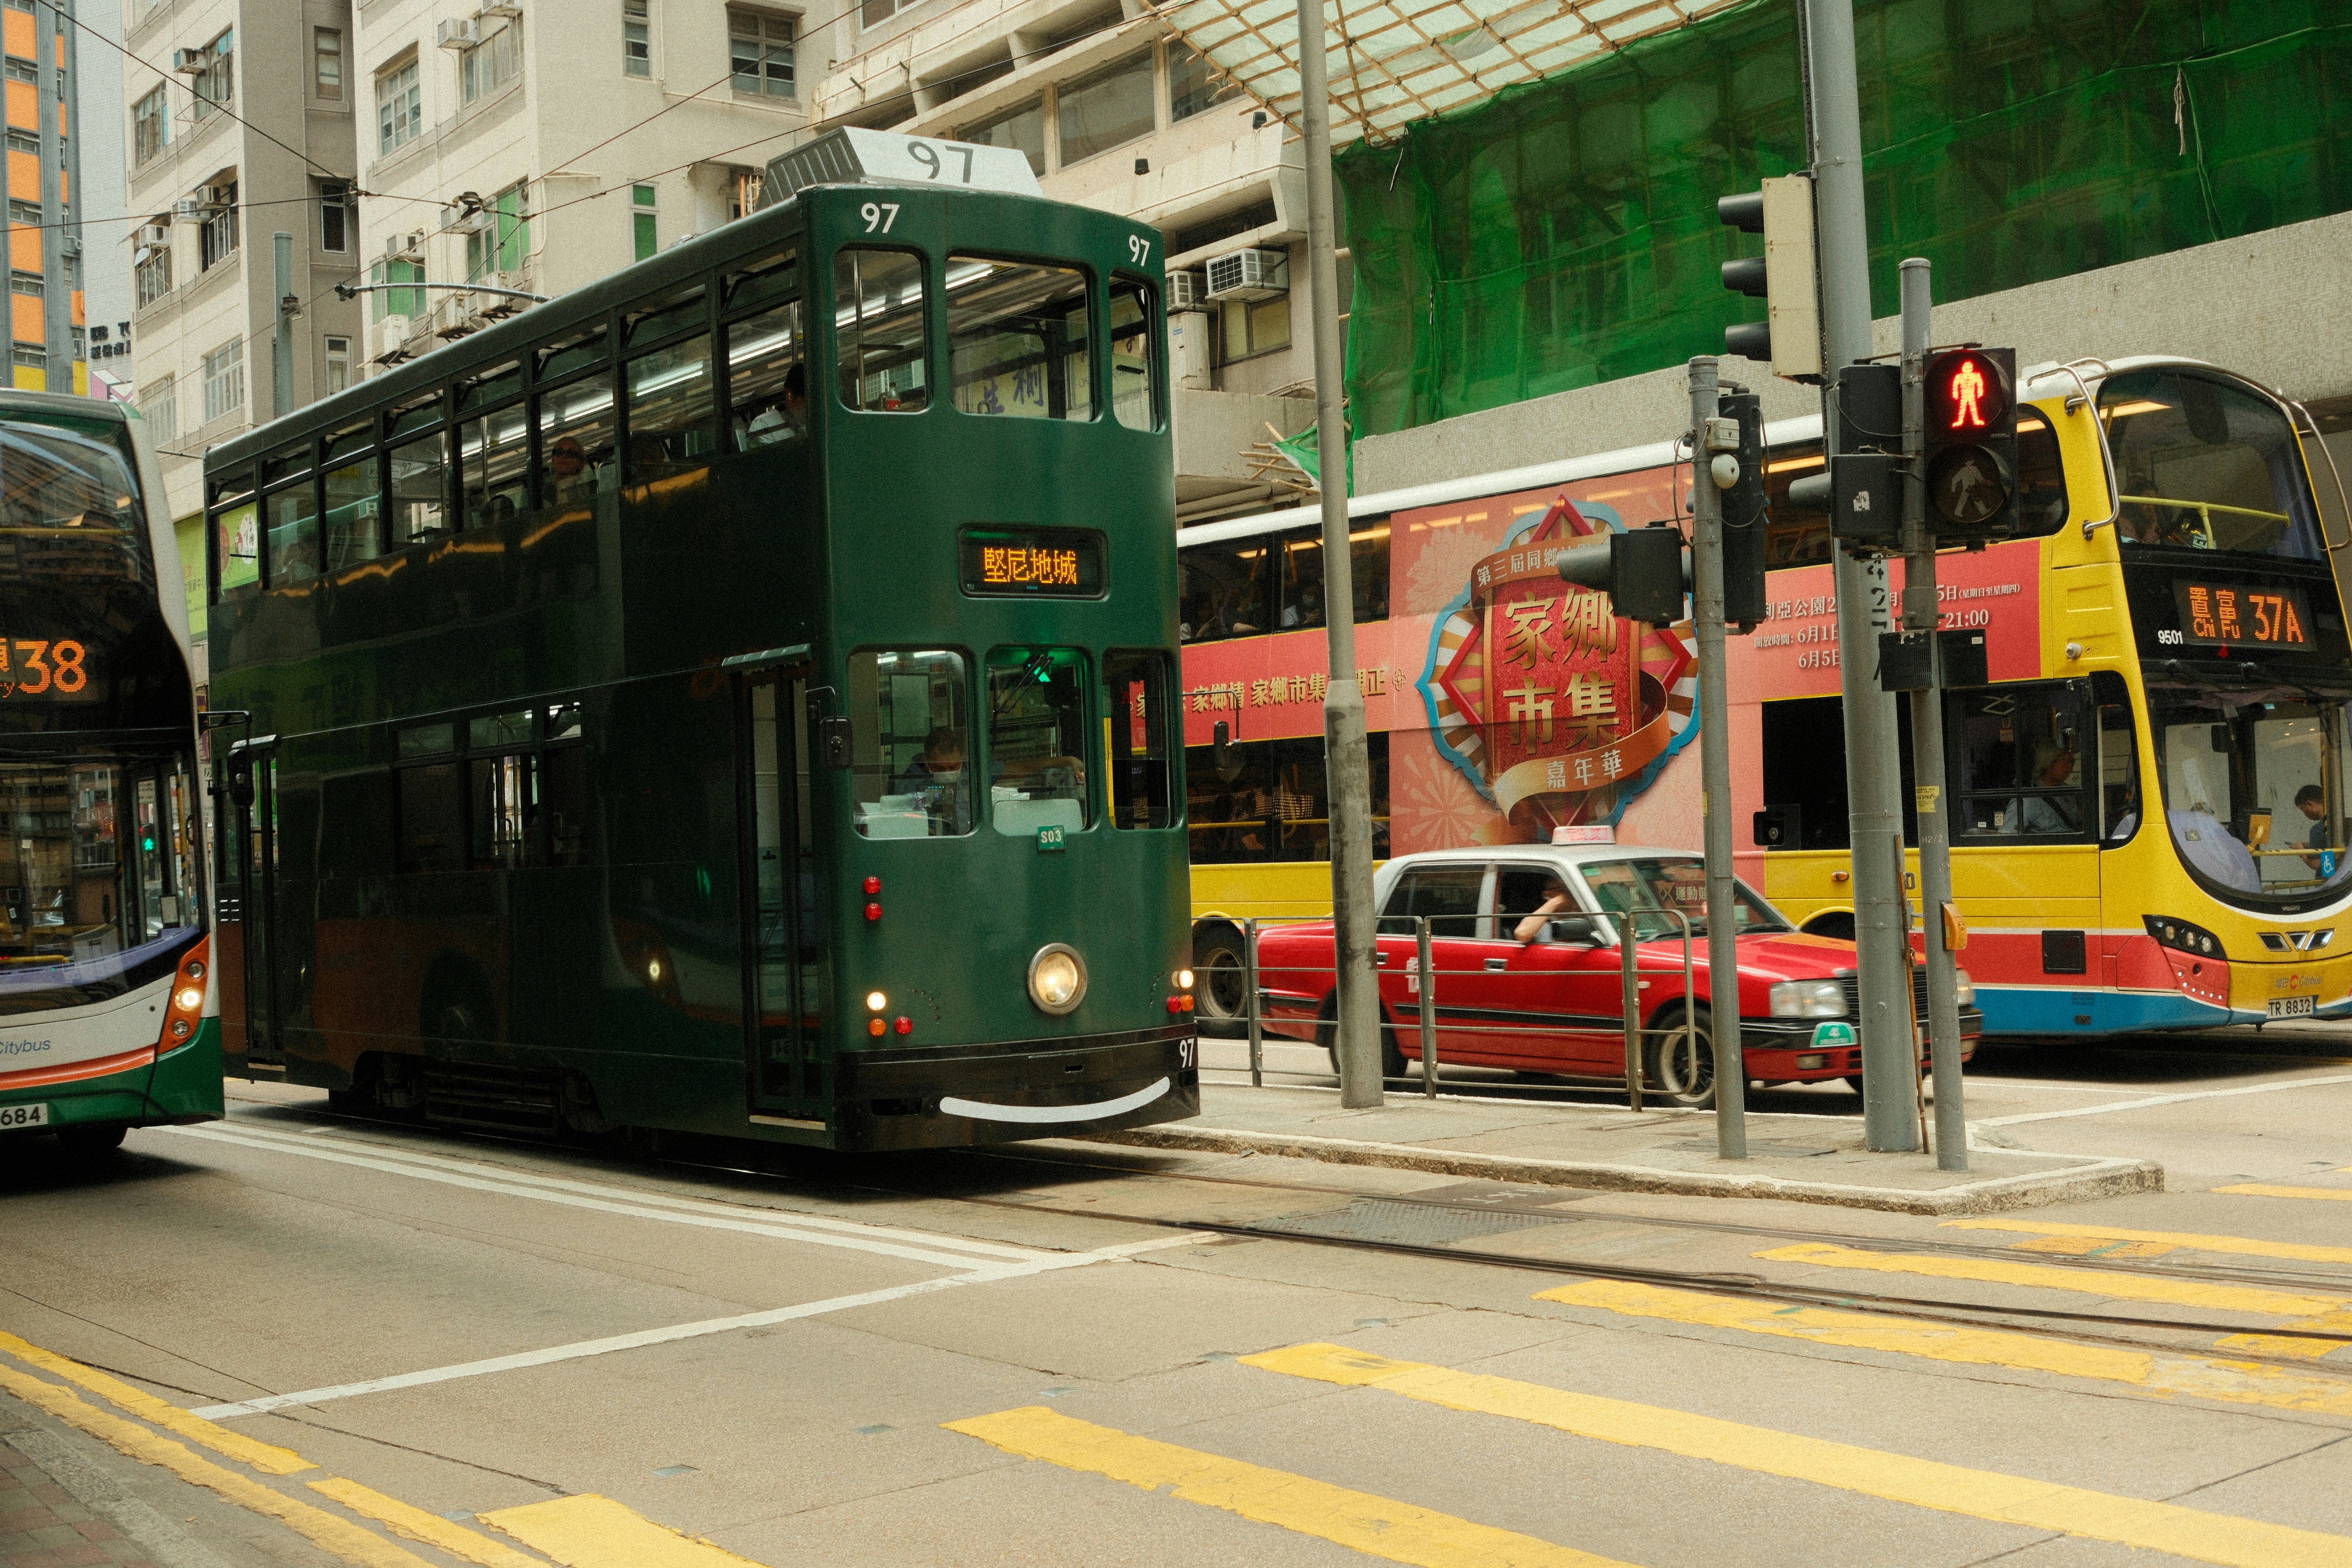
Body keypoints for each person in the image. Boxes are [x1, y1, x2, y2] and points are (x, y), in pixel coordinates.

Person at [894, 726, 969, 835]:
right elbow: (900, 822)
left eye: (953, 767)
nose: (947, 773)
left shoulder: (972, 776)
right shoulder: (908, 787)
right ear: (926, 760)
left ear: (962, 759)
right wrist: (925, 830)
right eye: (939, 768)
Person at [2006, 747, 2082, 834]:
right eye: (2062, 761)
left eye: (2071, 761)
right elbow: (2009, 835)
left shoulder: (2067, 791)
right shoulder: (2028, 799)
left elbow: (2078, 819)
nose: (2069, 766)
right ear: (2047, 764)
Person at [1515, 877, 1577, 945]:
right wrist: (1557, 900)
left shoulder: (1582, 913)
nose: (1570, 895)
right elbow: (1522, 935)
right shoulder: (1541, 922)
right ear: (1546, 895)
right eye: (1562, 890)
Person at [547, 435, 598, 504]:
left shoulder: (594, 489)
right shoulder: (546, 495)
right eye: (559, 452)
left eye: (571, 453)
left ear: (581, 462)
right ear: (553, 460)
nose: (564, 456)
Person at [2298, 783, 2333, 872]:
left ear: (2309, 804)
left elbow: (2316, 864)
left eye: (2303, 810)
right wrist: (2312, 847)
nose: (2305, 815)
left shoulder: (2317, 830)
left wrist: (2302, 852)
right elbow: (2331, 854)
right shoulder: (2336, 825)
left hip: (2326, 879)